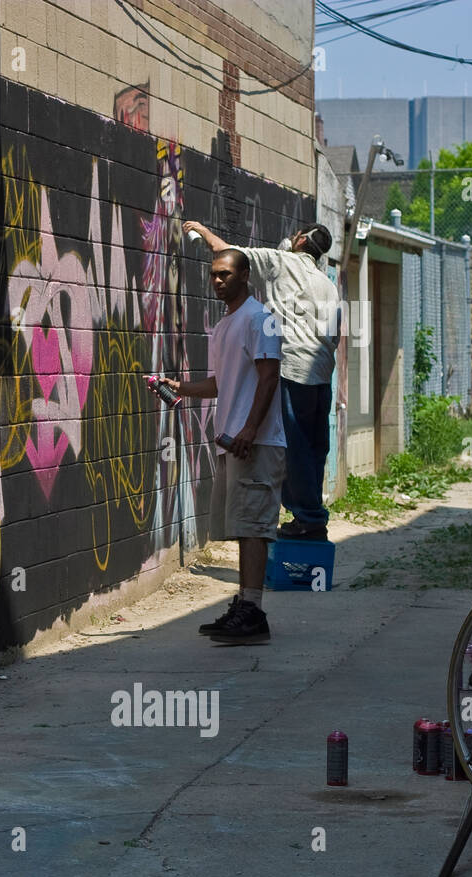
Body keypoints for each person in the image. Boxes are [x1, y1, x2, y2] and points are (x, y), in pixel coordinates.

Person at [154, 248, 285, 645]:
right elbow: (219, 382)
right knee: (244, 527)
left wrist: (249, 429)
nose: (217, 281)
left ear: (245, 274)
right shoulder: (227, 324)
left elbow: (269, 377)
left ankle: (254, 613)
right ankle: (246, 607)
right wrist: (182, 388)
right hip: (234, 441)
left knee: (256, 527)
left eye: (225, 274)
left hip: (256, 442)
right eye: (213, 275)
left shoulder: (263, 319)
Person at [182, 220, 339, 540]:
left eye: (296, 234)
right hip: (321, 377)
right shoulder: (328, 284)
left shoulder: (281, 262)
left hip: (293, 373)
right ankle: (309, 517)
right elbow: (335, 335)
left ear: (300, 240)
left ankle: (307, 519)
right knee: (313, 450)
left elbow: (228, 254)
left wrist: (199, 229)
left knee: (291, 450)